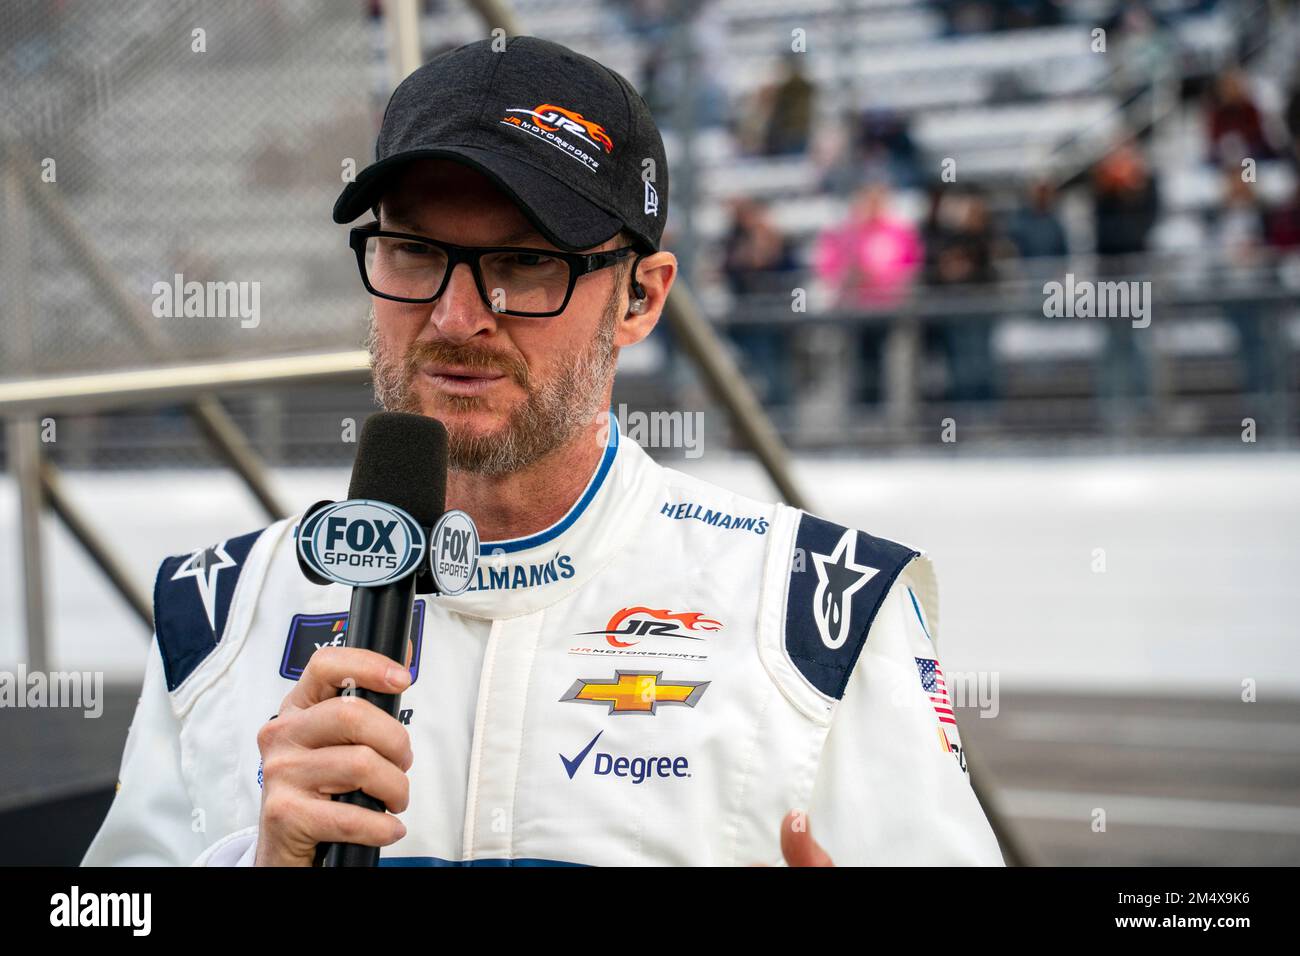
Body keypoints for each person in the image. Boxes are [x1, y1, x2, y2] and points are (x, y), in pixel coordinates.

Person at [82, 36, 1001, 867]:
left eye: (525, 264)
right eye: (411, 250)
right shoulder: (216, 611)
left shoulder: (820, 612)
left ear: (640, 299)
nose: (456, 316)